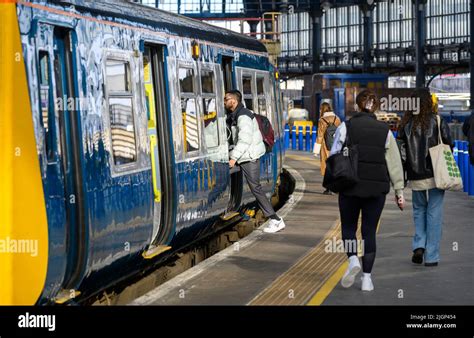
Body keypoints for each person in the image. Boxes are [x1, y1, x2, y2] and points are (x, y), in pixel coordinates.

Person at [330, 89, 405, 292]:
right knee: (369, 232)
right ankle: (367, 279)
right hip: (376, 189)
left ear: (357, 106)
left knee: (348, 228)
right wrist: (399, 192)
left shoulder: (346, 127)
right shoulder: (385, 131)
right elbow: (395, 164)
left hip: (350, 186)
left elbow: (334, 154)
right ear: (377, 107)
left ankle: (353, 258)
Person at [398, 88, 453, 267]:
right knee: (434, 212)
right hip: (437, 174)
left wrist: (403, 177)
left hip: (415, 176)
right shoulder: (437, 121)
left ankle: (419, 245)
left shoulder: (406, 124)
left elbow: (402, 153)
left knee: (418, 210)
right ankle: (431, 256)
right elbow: (448, 145)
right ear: (429, 102)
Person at [224, 90, 285, 233]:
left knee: (256, 188)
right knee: (254, 186)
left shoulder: (243, 117)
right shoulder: (238, 114)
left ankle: (276, 220)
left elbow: (245, 140)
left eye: (226, 99)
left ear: (234, 101)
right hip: (246, 156)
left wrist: (233, 158)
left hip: (249, 157)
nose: (224, 102)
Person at [313, 102, 341, 194]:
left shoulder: (322, 120)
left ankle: (329, 188)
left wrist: (316, 151)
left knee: (326, 167)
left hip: (326, 147)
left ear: (322, 109)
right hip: (336, 147)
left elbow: (320, 136)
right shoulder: (337, 118)